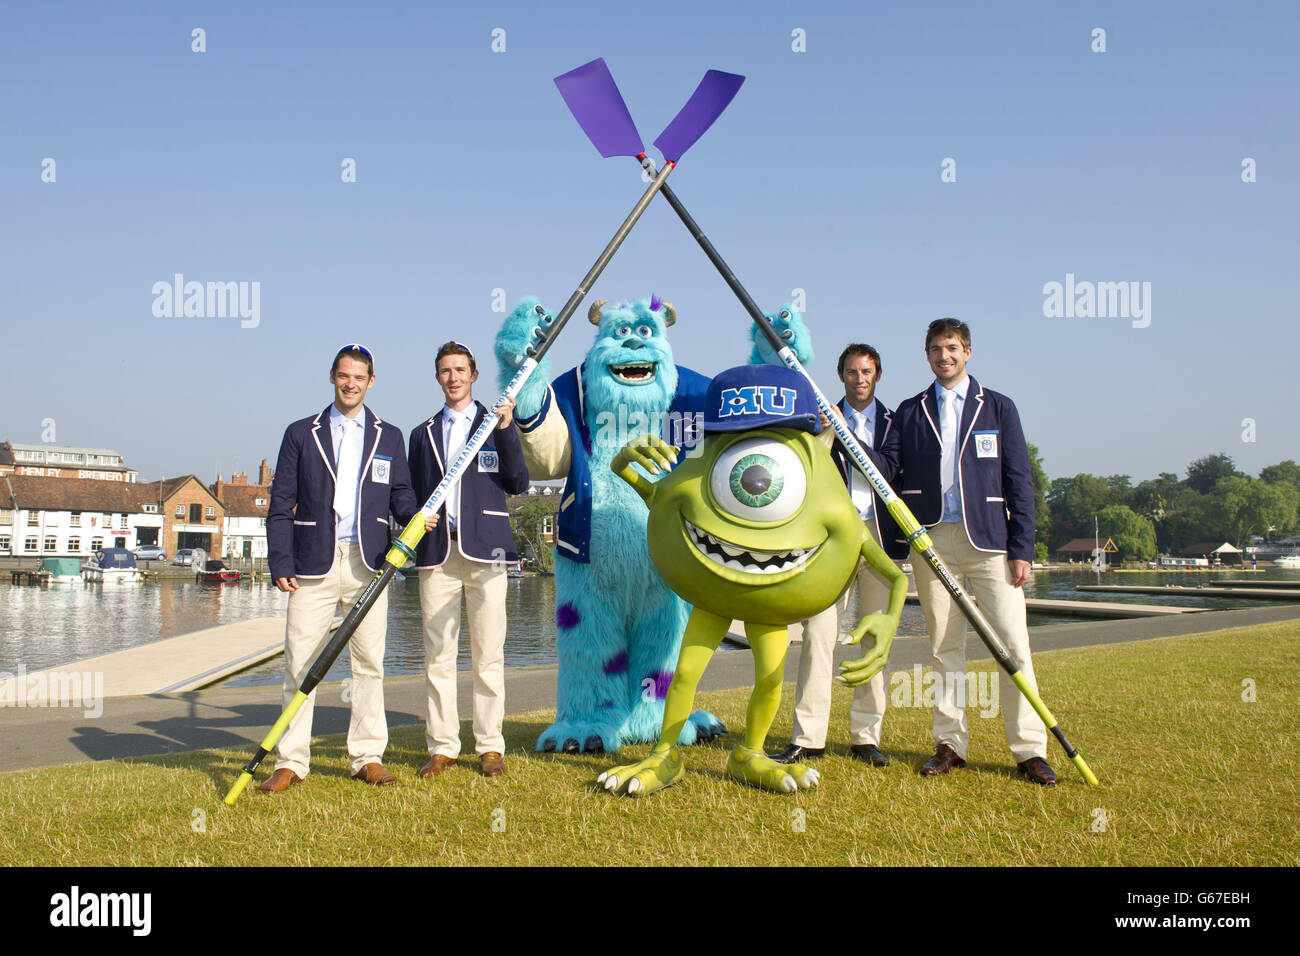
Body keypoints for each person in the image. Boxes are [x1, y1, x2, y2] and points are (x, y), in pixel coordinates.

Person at [888, 318, 1056, 785]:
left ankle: (1028, 748)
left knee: (1013, 645)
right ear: (927, 356)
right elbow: (890, 471)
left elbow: (1021, 482)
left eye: (954, 348)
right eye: (938, 349)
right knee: (944, 647)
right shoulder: (909, 410)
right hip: (932, 540)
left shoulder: (999, 408)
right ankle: (949, 743)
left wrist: (1022, 546)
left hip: (990, 544)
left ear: (968, 352)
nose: (946, 356)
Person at [261, 344, 418, 793]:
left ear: (371, 381)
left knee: (369, 663)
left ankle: (367, 756)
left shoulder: (389, 435)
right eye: (344, 375)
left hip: (370, 563)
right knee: (300, 663)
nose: (351, 383)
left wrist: (419, 516)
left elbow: (400, 494)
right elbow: (279, 505)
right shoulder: (300, 433)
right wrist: (280, 560)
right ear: (333, 377)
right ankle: (291, 761)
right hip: (312, 562)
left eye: (359, 377)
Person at [771, 344, 902, 767]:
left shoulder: (892, 423)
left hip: (878, 542)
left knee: (873, 638)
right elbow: (805, 471)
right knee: (818, 636)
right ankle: (808, 737)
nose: (859, 379)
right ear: (841, 375)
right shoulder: (819, 421)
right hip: (832, 543)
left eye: (866, 372)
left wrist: (851, 433)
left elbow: (887, 469)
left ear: (877, 375)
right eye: (850, 372)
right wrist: (827, 431)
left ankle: (867, 736)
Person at [409, 342, 529, 779]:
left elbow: (518, 481)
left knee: (488, 653)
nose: (453, 377)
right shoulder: (421, 434)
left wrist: (507, 428)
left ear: (474, 375)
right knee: (438, 654)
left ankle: (489, 745)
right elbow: (411, 496)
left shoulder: (493, 423)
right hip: (437, 554)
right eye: (445, 371)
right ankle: (442, 747)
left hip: (487, 550)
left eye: (460, 370)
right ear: (437, 377)